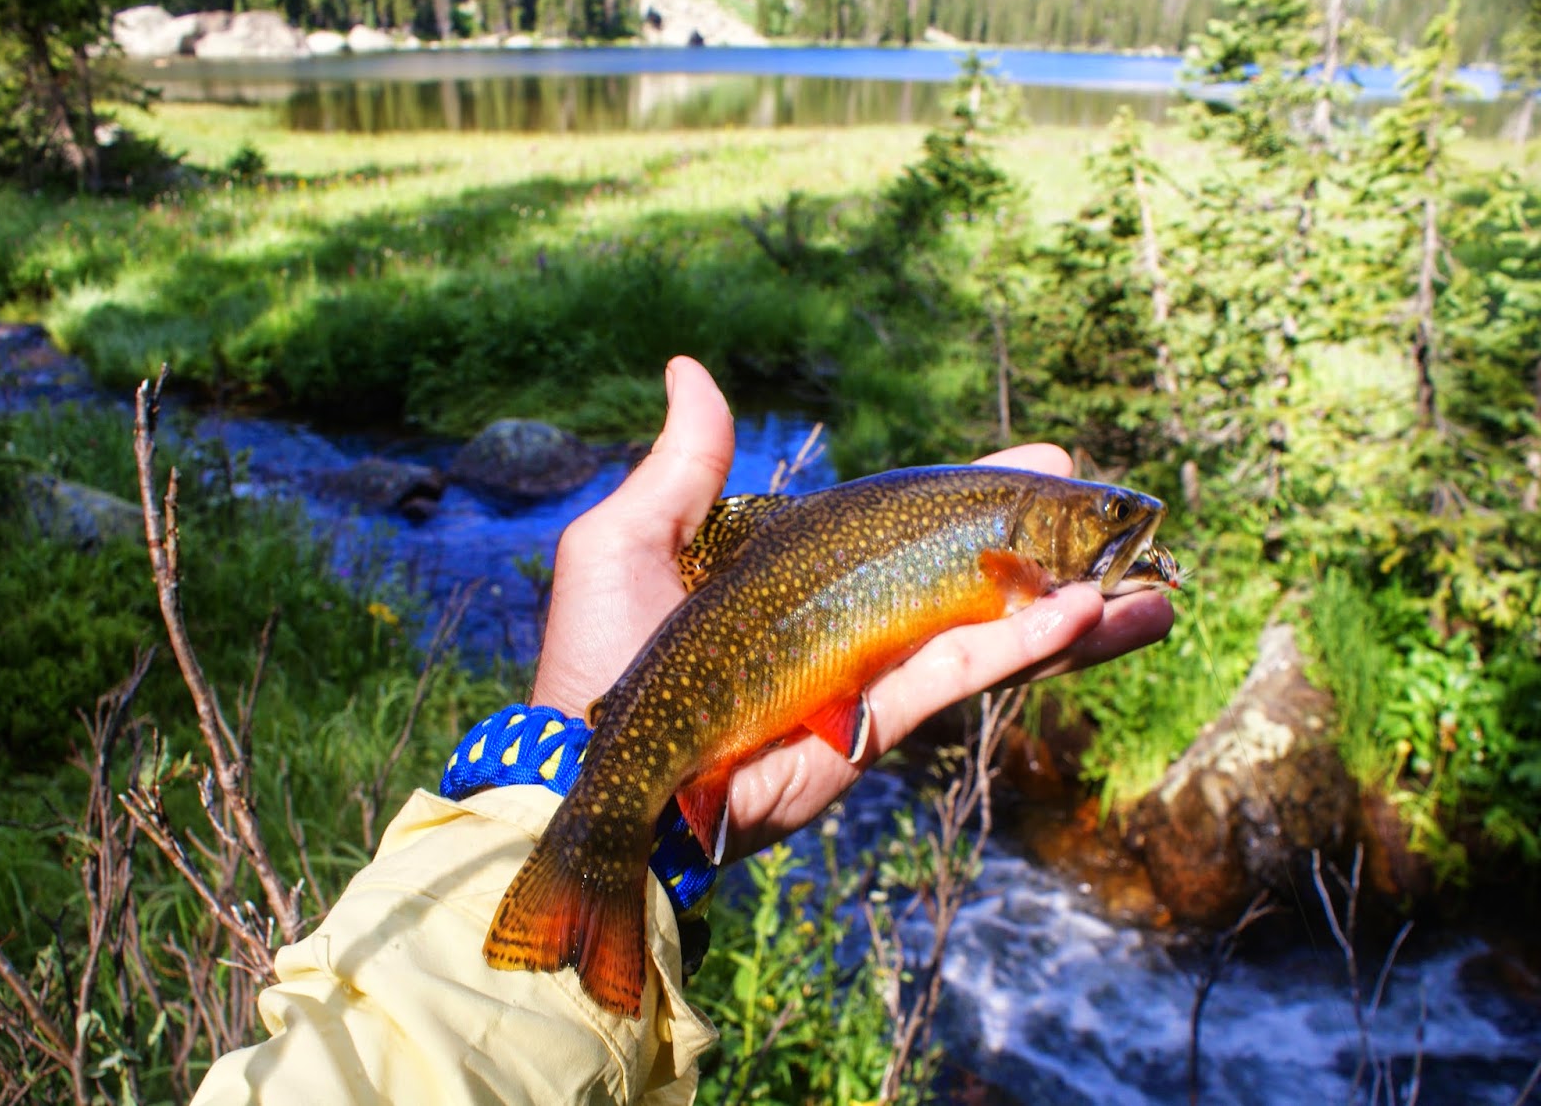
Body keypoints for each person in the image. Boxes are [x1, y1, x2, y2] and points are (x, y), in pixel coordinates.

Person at [191, 357, 1174, 1105]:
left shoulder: (1005, 522)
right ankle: (592, 871)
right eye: (1110, 516)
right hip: (701, 707)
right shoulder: (1009, 539)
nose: (1127, 522)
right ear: (1041, 527)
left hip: (728, 699)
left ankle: (578, 893)